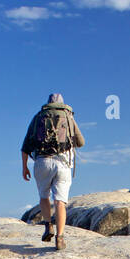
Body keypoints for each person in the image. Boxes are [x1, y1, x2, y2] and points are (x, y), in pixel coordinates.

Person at [21, 93, 85, 250]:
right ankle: (60, 237)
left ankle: (48, 225)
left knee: (44, 196)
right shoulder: (68, 117)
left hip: (42, 162)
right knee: (60, 202)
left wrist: (25, 167)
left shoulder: (39, 117)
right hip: (62, 163)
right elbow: (81, 142)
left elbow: (25, 146)